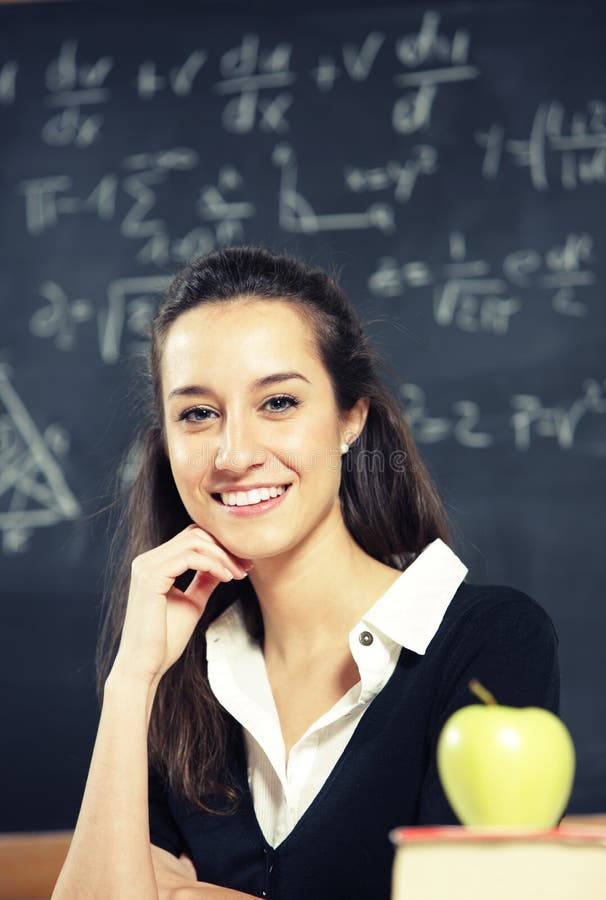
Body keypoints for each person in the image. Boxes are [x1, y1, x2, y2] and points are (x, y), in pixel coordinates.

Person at [52, 245, 559, 900]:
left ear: (350, 419)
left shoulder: (489, 642)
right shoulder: (176, 673)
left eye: (279, 403)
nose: (234, 455)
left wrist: (180, 893)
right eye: (198, 414)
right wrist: (133, 680)